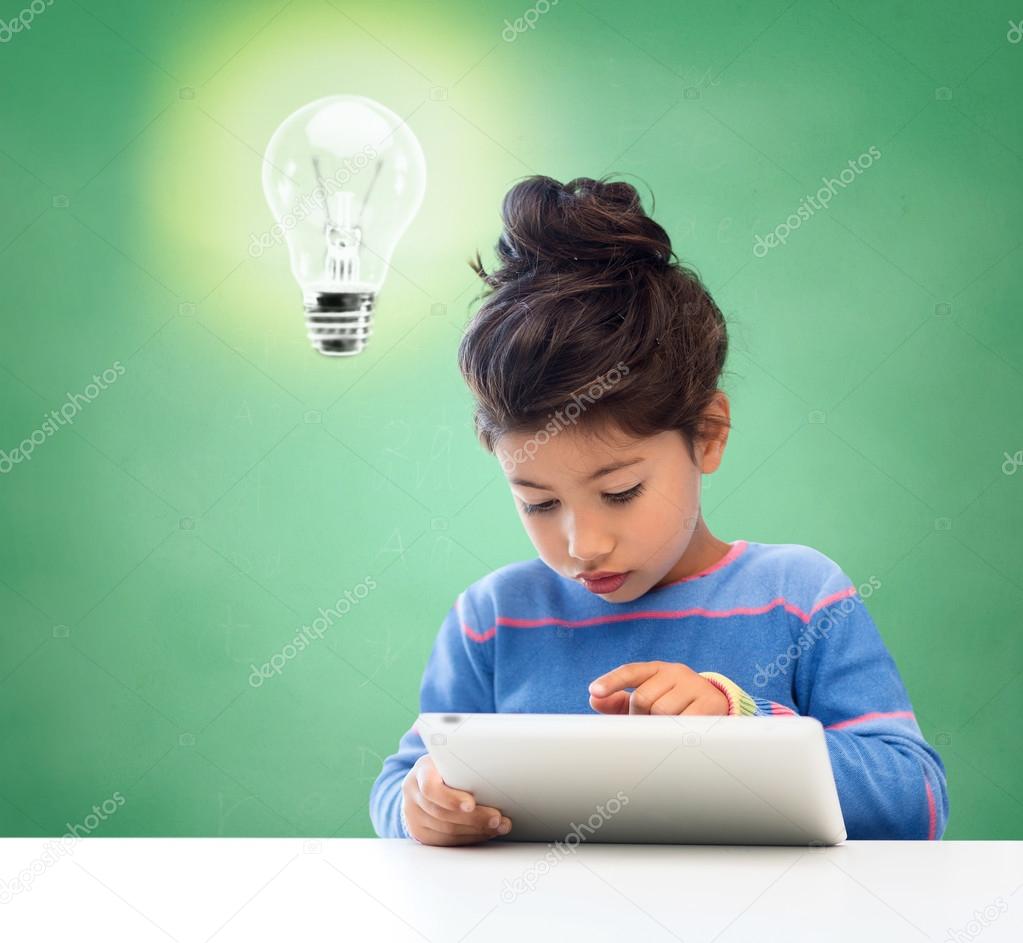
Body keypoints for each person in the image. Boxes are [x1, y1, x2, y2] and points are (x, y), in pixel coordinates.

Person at [369, 174, 949, 845]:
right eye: (537, 502)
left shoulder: (797, 597)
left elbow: (917, 803)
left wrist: (741, 722)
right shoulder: (492, 621)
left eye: (619, 492)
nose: (582, 544)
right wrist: (420, 810)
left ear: (707, 433)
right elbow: (403, 783)